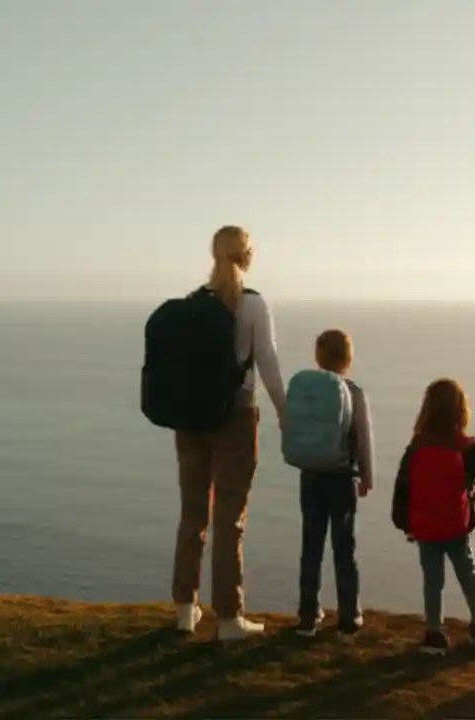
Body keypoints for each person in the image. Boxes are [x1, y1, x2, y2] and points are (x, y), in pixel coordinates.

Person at [172, 225, 288, 640]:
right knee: (229, 520)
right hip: (236, 418)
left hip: (189, 420)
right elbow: (269, 365)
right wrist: (285, 414)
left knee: (192, 515)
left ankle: (186, 610)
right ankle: (228, 619)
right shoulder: (253, 305)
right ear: (247, 256)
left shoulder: (192, 303)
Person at [392, 379, 475, 655]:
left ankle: (434, 634)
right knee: (468, 575)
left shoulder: (416, 446)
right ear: (461, 411)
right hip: (456, 527)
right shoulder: (466, 447)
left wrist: (404, 523)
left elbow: (402, 488)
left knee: (433, 581)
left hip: (425, 529)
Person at [287, 329, 376, 637]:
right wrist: (367, 475)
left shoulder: (307, 390)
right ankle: (349, 616)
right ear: (348, 359)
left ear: (318, 357)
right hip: (341, 476)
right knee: (344, 546)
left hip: (310, 474)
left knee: (310, 545)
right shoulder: (353, 390)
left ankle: (308, 616)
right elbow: (362, 437)